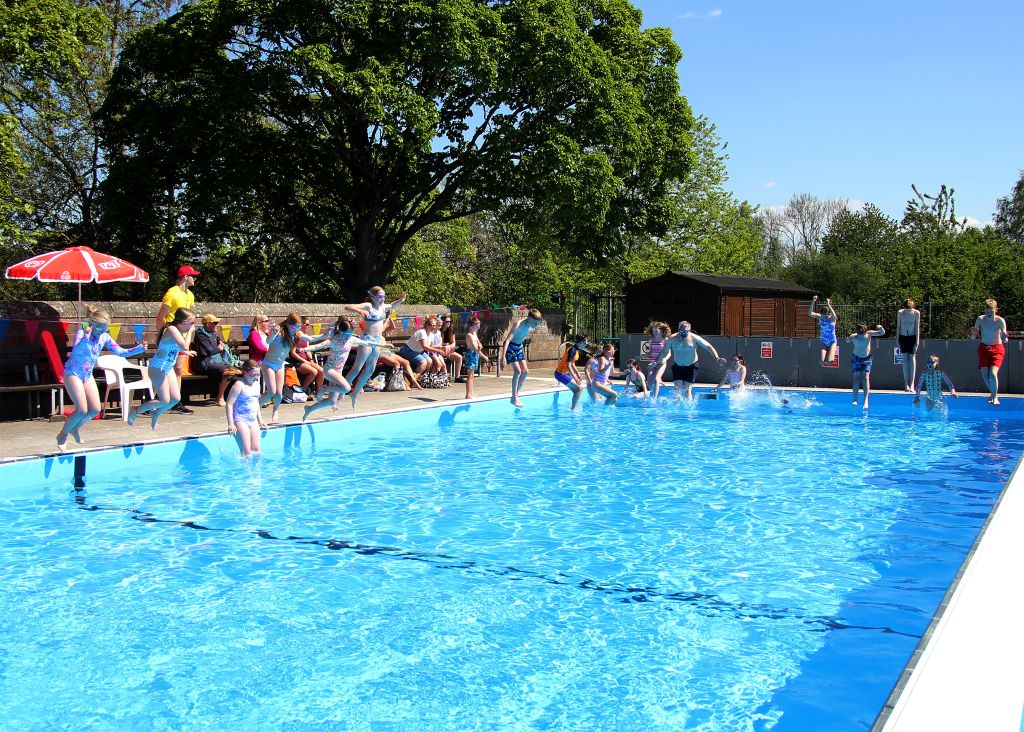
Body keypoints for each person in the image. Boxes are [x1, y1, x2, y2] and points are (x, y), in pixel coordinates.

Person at [56, 307, 146, 452]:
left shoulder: (104, 337)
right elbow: (76, 349)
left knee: (95, 409)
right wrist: (86, 337)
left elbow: (120, 352)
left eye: (105, 329)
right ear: (91, 324)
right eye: (100, 328)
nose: (102, 332)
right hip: (72, 373)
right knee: (81, 410)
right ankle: (63, 435)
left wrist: (138, 349)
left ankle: (76, 428)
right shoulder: (81, 333)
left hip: (87, 375)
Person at [300, 316, 382, 420]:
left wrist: (383, 345)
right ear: (340, 332)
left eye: (350, 333)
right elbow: (317, 346)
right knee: (347, 388)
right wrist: (305, 349)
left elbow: (367, 343)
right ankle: (323, 388)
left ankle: (309, 409)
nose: (348, 336)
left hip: (338, 372)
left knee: (331, 401)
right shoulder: (334, 340)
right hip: (329, 370)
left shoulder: (351, 339)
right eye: (347, 334)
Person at [129, 308, 197, 429]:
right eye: (191, 323)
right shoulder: (172, 329)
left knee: (175, 399)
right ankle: (136, 410)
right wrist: (191, 332)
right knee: (164, 400)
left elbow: (175, 349)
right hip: (157, 368)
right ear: (183, 322)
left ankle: (156, 413)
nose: (193, 325)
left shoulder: (179, 332)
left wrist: (186, 353)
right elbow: (184, 346)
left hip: (167, 368)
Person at [344, 286, 407, 407]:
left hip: (377, 341)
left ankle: (355, 392)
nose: (382, 299)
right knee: (357, 368)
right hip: (367, 340)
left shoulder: (383, 307)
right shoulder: (368, 306)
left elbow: (392, 305)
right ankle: (343, 387)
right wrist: (359, 311)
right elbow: (348, 307)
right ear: (373, 297)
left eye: (384, 296)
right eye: (379, 296)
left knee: (370, 370)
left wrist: (401, 299)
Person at [155, 265, 200, 414]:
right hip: (171, 336)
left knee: (179, 369)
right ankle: (155, 399)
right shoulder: (172, 293)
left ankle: (175, 402)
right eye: (193, 276)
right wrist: (162, 334)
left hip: (183, 336)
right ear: (185, 277)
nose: (195, 278)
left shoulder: (190, 295)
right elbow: (161, 316)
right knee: (163, 367)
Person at [655, 320, 726, 400]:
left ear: (689, 330)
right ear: (678, 330)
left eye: (685, 331)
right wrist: (656, 362)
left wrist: (717, 358)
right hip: (678, 366)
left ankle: (688, 411)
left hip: (691, 367)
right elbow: (664, 351)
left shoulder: (694, 338)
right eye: (681, 331)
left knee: (687, 390)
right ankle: (675, 410)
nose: (683, 333)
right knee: (677, 390)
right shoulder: (672, 339)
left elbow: (708, 347)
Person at [259, 311, 305, 423]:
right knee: (271, 392)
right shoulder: (279, 332)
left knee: (279, 394)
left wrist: (326, 336)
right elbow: (267, 341)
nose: (296, 329)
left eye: (299, 327)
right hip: (268, 364)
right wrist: (274, 332)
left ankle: (275, 410)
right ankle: (256, 409)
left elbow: (310, 339)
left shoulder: (293, 335)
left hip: (279, 366)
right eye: (295, 327)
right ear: (288, 324)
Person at [500, 308, 543, 407]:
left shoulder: (531, 324)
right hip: (511, 346)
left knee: (525, 371)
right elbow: (506, 341)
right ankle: (514, 397)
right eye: (534, 323)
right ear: (529, 318)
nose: (535, 326)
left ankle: (515, 395)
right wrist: (503, 357)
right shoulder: (518, 325)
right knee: (518, 371)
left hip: (519, 346)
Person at [225, 359, 267, 457]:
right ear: (244, 373)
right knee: (247, 451)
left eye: (258, 374)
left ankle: (256, 471)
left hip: (253, 420)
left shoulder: (256, 384)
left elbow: (256, 403)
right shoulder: (239, 385)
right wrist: (231, 424)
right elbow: (229, 404)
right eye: (253, 375)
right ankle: (246, 471)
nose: (256, 377)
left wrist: (260, 420)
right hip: (241, 420)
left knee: (256, 450)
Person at [970, 298, 1009, 405]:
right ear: (984, 310)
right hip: (984, 348)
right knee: (985, 375)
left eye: (991, 311)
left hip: (997, 349)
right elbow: (973, 336)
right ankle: (993, 394)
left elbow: (1005, 338)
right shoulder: (980, 319)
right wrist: (973, 334)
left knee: (993, 374)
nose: (988, 314)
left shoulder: (1000, 320)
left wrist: (1005, 337)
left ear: (996, 309)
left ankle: (995, 397)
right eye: (986, 311)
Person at [193, 313, 234, 406]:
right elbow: (206, 352)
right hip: (205, 363)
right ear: (207, 324)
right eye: (215, 323)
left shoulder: (214, 336)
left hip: (217, 362)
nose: (217, 325)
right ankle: (220, 397)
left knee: (236, 370)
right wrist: (219, 348)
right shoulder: (201, 335)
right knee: (228, 371)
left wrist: (223, 347)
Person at [845, 322, 885, 409]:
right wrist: (849, 338)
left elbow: (882, 333)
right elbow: (847, 341)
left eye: (862, 333)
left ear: (865, 331)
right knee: (856, 378)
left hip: (867, 359)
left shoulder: (869, 334)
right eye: (859, 333)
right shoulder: (854, 336)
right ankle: (855, 399)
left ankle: (866, 401)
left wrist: (880, 327)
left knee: (865, 378)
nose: (860, 335)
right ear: (857, 331)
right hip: (856, 358)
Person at [378, 318, 422, 390]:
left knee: (406, 362)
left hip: (388, 352)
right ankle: (401, 383)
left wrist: (390, 318)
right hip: (379, 354)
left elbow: (393, 327)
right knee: (396, 363)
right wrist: (386, 320)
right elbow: (381, 330)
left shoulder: (379, 331)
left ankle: (414, 381)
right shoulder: (372, 333)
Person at [289, 317, 326, 395]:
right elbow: (293, 353)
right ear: (301, 325)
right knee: (313, 372)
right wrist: (305, 361)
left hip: (306, 360)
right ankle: (302, 391)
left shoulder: (305, 335)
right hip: (298, 361)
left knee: (322, 371)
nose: (308, 326)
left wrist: (311, 359)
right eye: (307, 324)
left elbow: (308, 350)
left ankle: (318, 392)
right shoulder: (296, 335)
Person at [554, 333, 588, 410]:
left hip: (564, 373)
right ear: (580, 342)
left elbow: (572, 364)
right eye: (585, 343)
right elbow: (568, 365)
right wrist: (575, 377)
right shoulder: (572, 350)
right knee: (579, 389)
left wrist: (577, 374)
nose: (585, 345)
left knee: (577, 390)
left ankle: (574, 406)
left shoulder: (575, 350)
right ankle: (573, 409)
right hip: (560, 374)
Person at [897, 299, 921, 392]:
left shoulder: (916, 313)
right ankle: (906, 384)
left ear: (912, 307)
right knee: (905, 360)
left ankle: (912, 385)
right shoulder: (900, 312)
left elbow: (917, 328)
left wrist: (917, 342)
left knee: (912, 359)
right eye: (906, 310)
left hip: (912, 338)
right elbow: (898, 326)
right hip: (903, 337)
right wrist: (897, 339)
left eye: (909, 310)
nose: (907, 312)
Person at [463, 316, 490, 399]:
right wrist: (485, 357)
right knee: (470, 375)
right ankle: (468, 394)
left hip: (475, 355)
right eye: (477, 325)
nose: (479, 327)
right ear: (472, 326)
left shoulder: (474, 334)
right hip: (471, 355)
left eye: (479, 325)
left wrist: (480, 345)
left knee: (472, 375)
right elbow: (476, 349)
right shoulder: (469, 335)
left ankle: (470, 393)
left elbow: (479, 344)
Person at [808, 295, 838, 366]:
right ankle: (826, 356)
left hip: (832, 341)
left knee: (830, 361)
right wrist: (813, 301)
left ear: (829, 313)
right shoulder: (820, 317)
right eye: (824, 315)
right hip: (824, 341)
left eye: (827, 315)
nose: (826, 317)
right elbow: (810, 313)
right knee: (821, 361)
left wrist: (828, 304)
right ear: (822, 314)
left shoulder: (832, 318)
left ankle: (830, 354)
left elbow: (835, 315)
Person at [644, 321, 672, 399]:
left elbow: (669, 353)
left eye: (656, 331)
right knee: (649, 383)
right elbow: (650, 352)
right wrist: (644, 356)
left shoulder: (665, 340)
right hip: (653, 362)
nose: (655, 333)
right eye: (653, 331)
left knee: (656, 379)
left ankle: (654, 399)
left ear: (661, 331)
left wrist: (665, 359)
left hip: (661, 363)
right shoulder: (651, 340)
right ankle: (648, 395)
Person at [439, 315, 465, 382]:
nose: (448, 323)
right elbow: (439, 343)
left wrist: (448, 346)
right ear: (443, 322)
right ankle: (442, 377)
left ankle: (457, 377)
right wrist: (445, 345)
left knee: (459, 357)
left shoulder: (451, 331)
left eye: (450, 321)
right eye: (447, 321)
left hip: (448, 350)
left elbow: (453, 343)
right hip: (439, 350)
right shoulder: (439, 331)